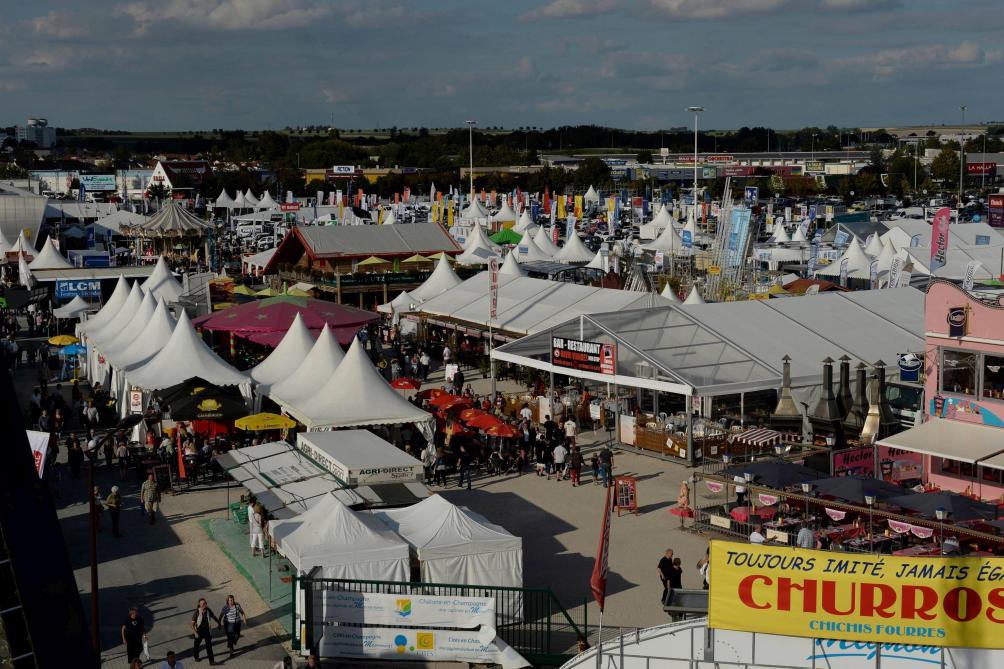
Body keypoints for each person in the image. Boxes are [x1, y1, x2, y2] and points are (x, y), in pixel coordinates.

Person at [191, 597, 220, 664]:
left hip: (207, 630)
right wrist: (195, 633)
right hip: (199, 631)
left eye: (205, 603)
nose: (205, 605)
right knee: (196, 645)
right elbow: (192, 624)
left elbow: (213, 616)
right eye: (203, 604)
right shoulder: (197, 612)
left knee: (209, 646)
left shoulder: (208, 610)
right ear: (200, 604)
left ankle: (211, 661)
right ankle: (196, 657)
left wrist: (218, 622)